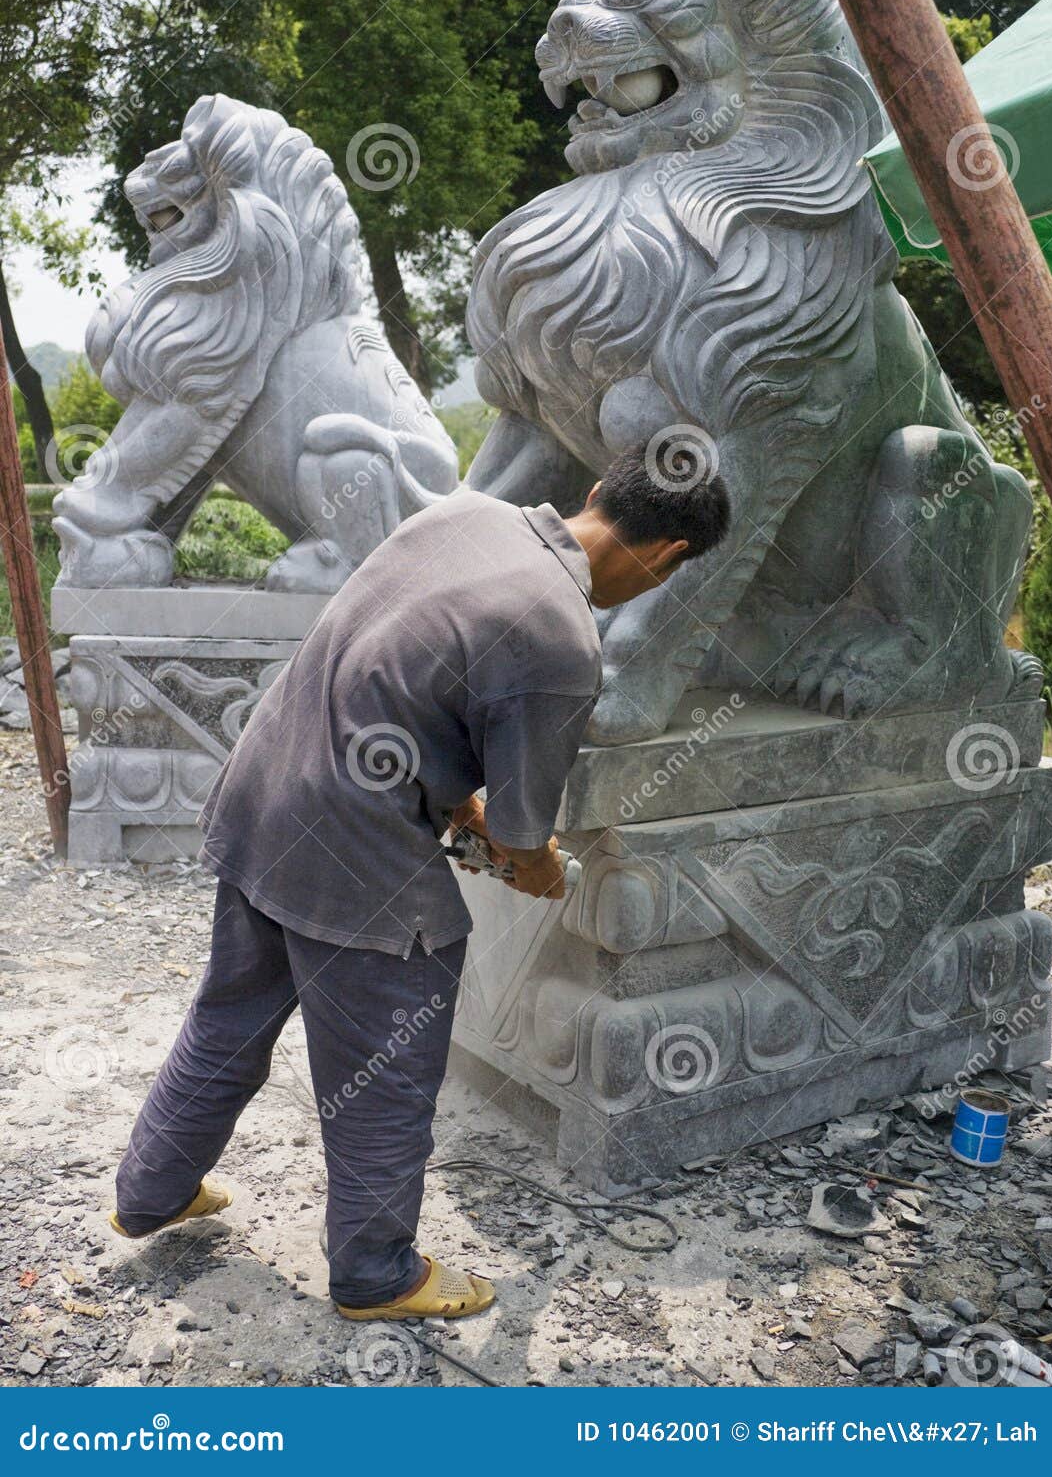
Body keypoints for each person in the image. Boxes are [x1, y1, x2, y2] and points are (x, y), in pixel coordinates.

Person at [109, 443, 729, 1320]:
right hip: (353, 851)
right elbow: (521, 837)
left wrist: (456, 805)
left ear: (596, 493)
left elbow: (390, 678)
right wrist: (544, 870)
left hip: (266, 792)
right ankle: (375, 1275)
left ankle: (149, 1192)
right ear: (669, 559)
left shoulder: (464, 514)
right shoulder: (564, 634)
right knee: (387, 1067)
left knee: (229, 1018)